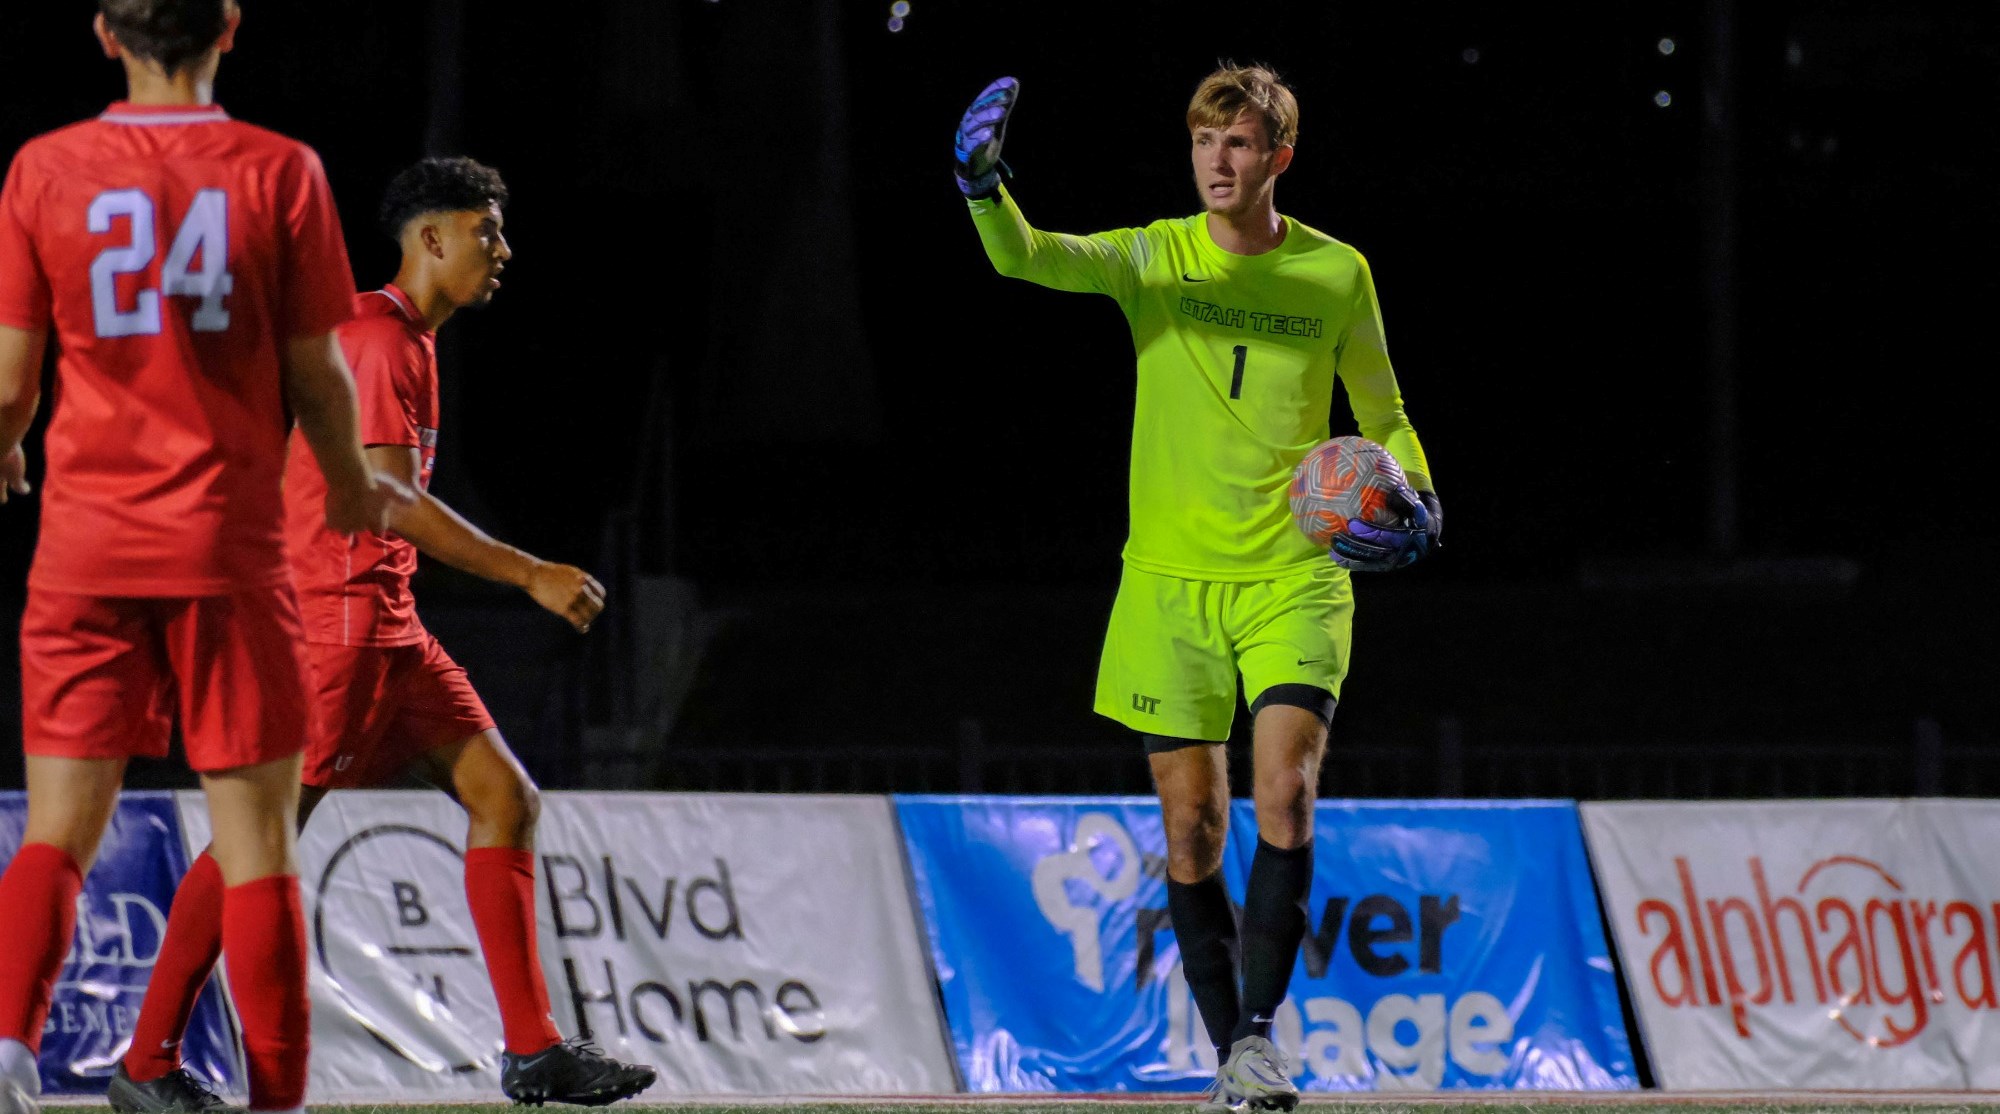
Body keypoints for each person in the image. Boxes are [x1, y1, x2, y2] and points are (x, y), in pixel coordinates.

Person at [107, 157, 655, 1112]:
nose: (503, 250)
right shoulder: (378, 339)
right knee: (259, 838)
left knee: (505, 800)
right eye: (487, 230)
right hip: (337, 623)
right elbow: (393, 501)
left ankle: (533, 1053)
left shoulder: (402, 338)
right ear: (430, 238)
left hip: (387, 627)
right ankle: (146, 1063)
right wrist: (529, 572)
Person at [953, 67, 1441, 1111]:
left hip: (1292, 577)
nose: (1217, 162)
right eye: (1203, 143)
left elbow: (1383, 410)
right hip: (1166, 586)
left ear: (1278, 157)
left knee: (1285, 794)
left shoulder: (1334, 272)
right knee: (1190, 830)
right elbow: (1028, 258)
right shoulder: (1154, 257)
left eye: (1239, 143)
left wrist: (1420, 489)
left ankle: (1260, 1031)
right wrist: (982, 186)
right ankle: (1236, 1052)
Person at [0, 3, 415, 1113]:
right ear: (229, 27)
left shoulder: (45, 168)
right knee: (259, 845)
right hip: (231, 552)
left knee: (58, 834)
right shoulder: (279, 171)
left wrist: (3, 452)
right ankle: (275, 1100)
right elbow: (319, 374)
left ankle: (5, 1054)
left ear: (101, 33)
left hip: (87, 548)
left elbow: (10, 380)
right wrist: (346, 478)